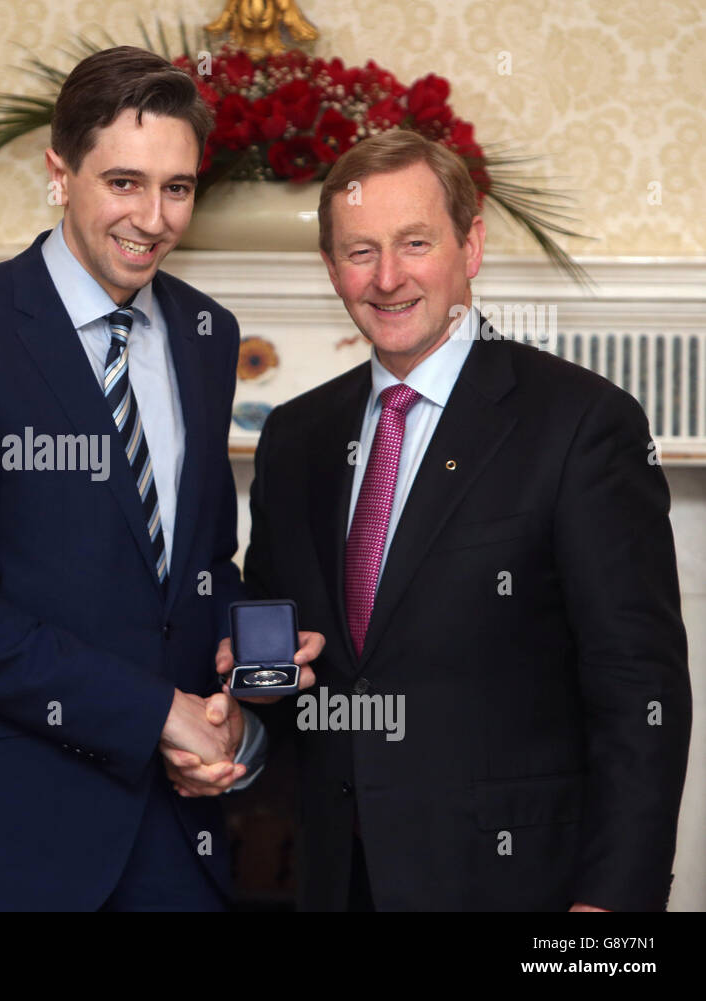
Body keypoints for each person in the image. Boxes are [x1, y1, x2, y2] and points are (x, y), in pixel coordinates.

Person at [0, 46, 322, 911]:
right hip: (6, 845)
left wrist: (254, 670)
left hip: (176, 838)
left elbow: (196, 563)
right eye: (124, 182)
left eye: (178, 188)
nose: (153, 218)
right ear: (59, 173)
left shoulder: (206, 332)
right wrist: (161, 711)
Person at [235, 129, 692, 910]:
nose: (387, 278)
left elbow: (639, 690)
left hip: (519, 884)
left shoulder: (581, 423)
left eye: (416, 242)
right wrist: (247, 706)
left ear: (470, 246)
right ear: (329, 266)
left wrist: (613, 908)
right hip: (330, 878)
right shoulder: (297, 434)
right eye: (359, 251)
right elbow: (281, 645)